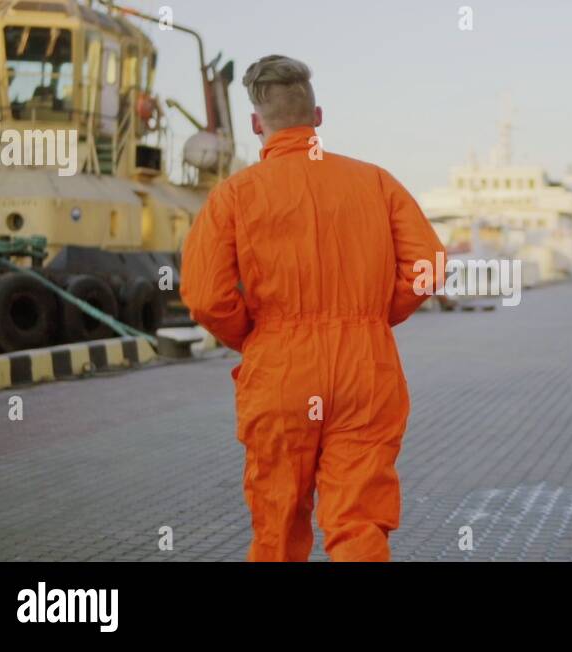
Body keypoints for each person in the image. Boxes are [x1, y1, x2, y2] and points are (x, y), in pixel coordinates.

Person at [180, 55, 445, 561]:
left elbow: (205, 295)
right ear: (317, 117)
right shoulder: (376, 182)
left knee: (277, 524)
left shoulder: (232, 196)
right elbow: (429, 263)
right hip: (365, 370)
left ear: (257, 124)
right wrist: (374, 314)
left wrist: (257, 337)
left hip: (280, 372)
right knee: (358, 523)